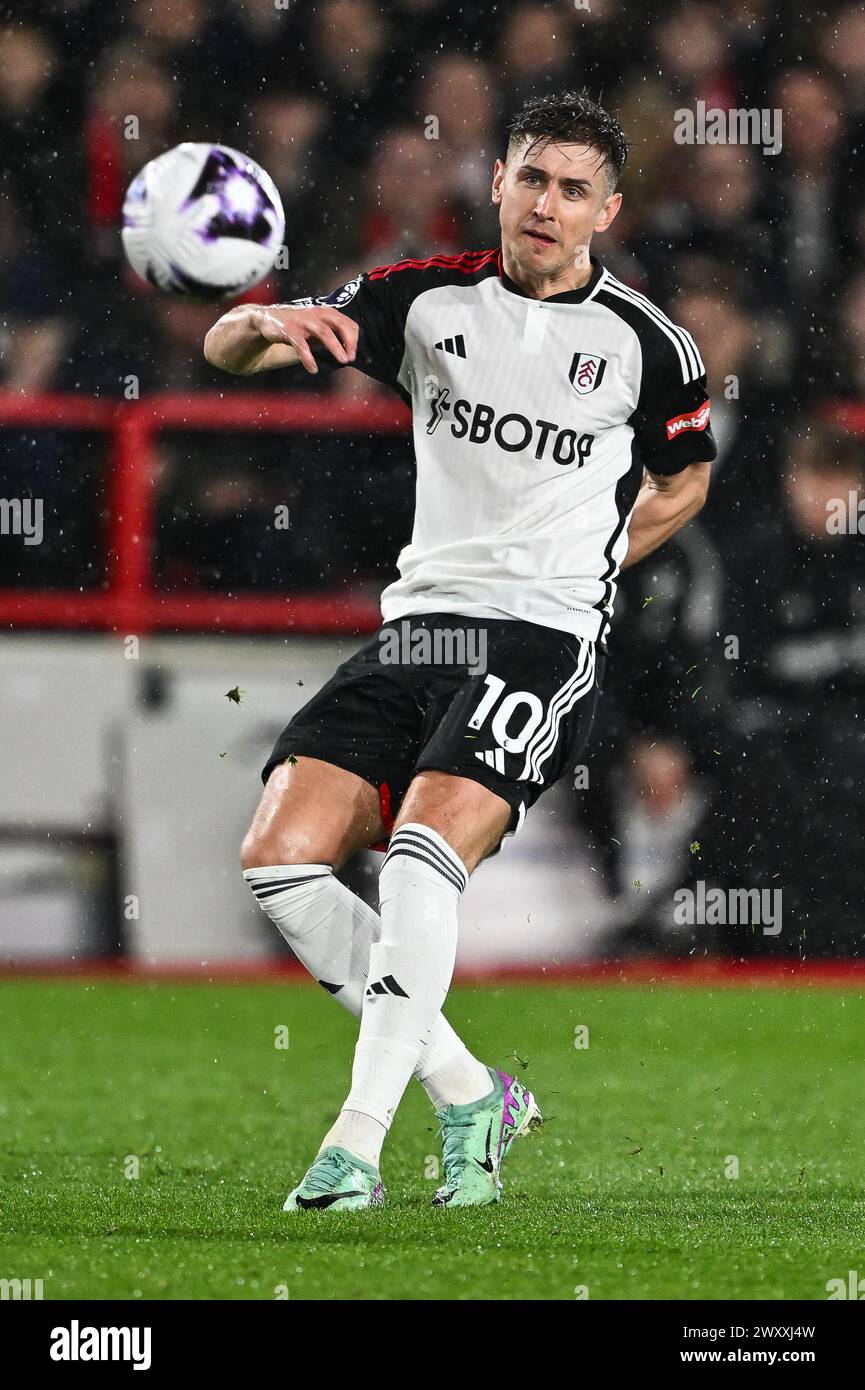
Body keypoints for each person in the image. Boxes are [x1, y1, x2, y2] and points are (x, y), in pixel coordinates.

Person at [203, 90, 716, 1212]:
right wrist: (267, 325)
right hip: (420, 623)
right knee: (280, 858)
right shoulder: (422, 298)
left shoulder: (648, 345)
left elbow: (686, 477)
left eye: (574, 189)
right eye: (531, 177)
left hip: (541, 634)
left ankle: (355, 1143)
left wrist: (597, 563)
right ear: (497, 181)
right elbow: (227, 343)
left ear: (608, 210)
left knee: (419, 853)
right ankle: (469, 1087)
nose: (547, 204)